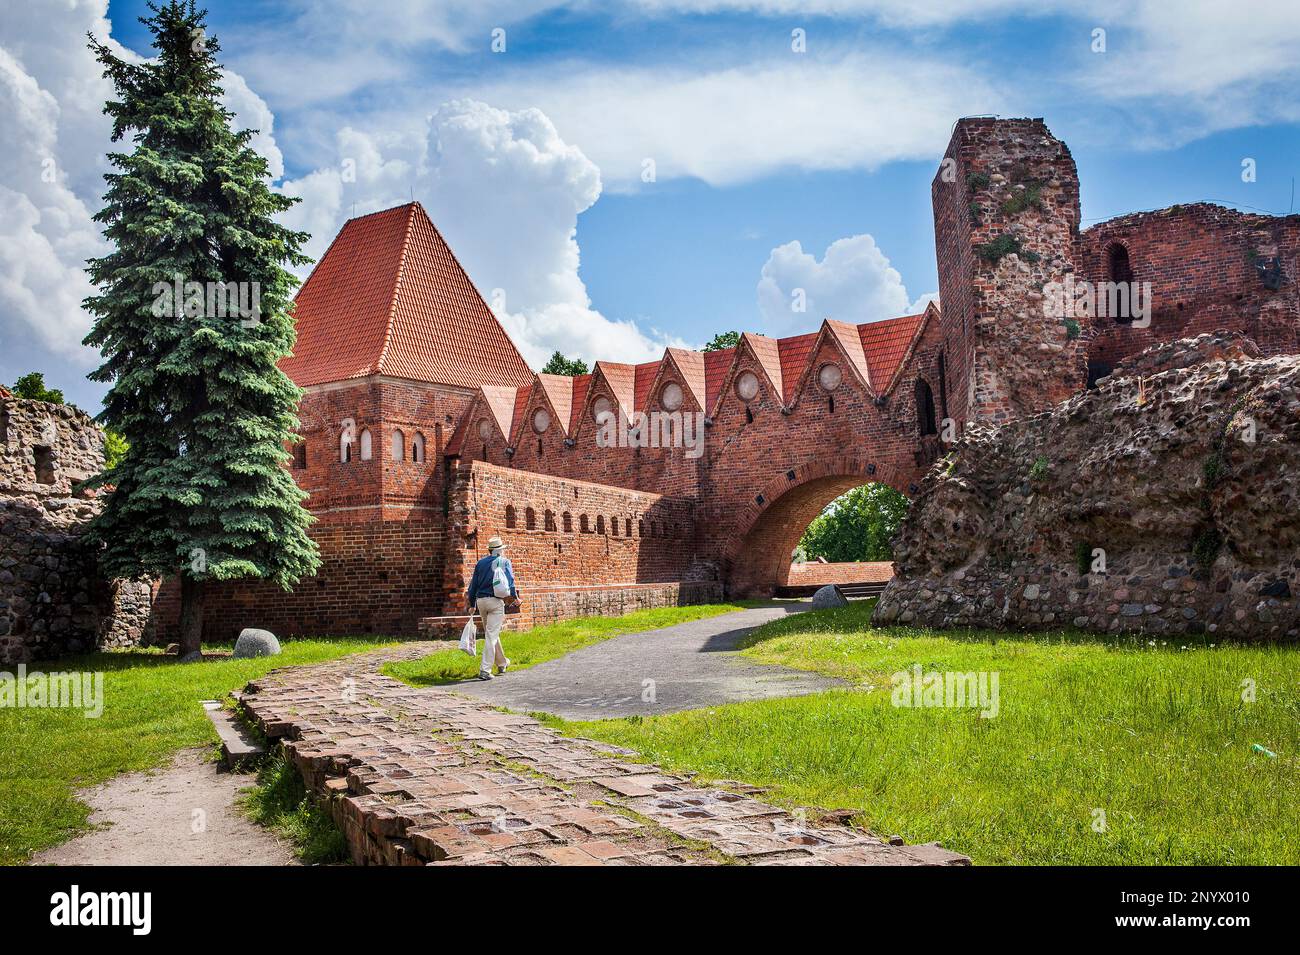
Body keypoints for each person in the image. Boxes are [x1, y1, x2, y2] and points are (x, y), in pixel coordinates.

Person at [465, 535, 520, 680]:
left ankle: (502, 663)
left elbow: (473, 586)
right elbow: (510, 582)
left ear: (490, 550)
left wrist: (472, 604)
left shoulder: (480, 563)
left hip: (481, 601)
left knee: (492, 633)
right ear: (500, 550)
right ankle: (485, 670)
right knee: (491, 635)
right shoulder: (504, 562)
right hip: (496, 602)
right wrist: (515, 598)